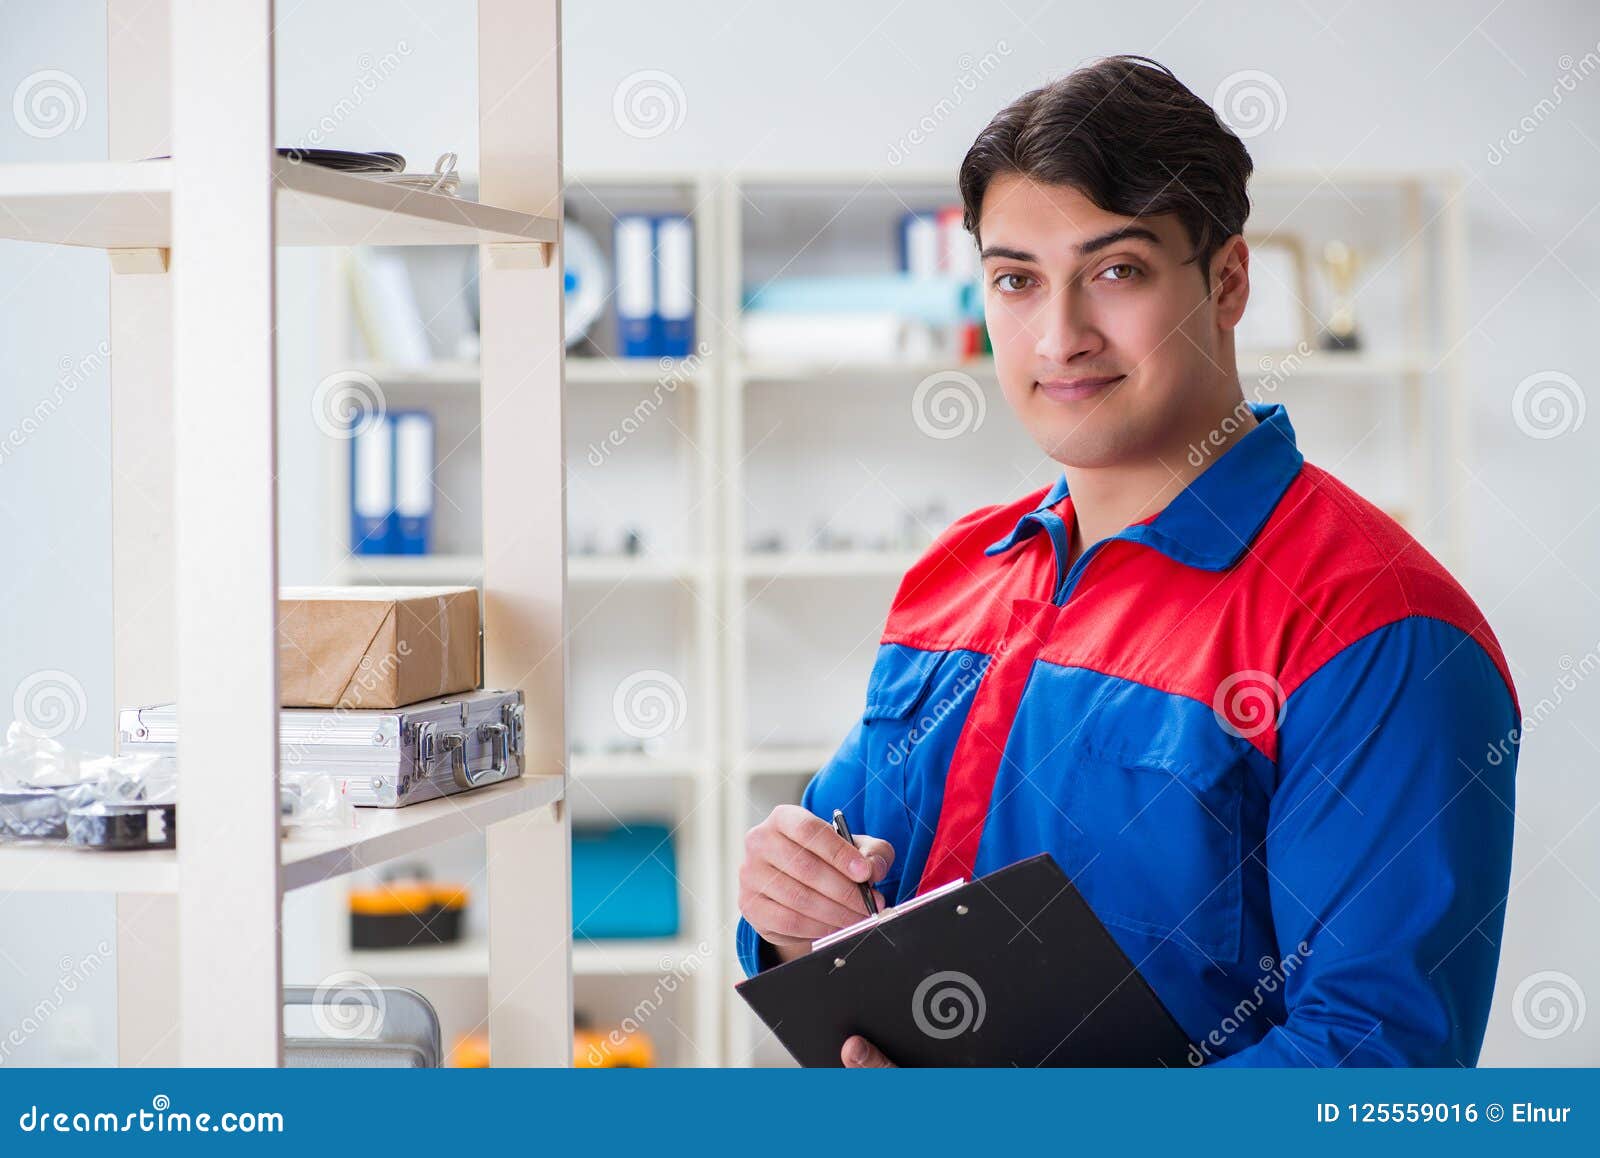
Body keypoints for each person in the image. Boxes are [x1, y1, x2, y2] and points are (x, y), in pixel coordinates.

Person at [733, 55, 1520, 1068]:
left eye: (1115, 272)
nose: (1058, 336)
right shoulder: (954, 577)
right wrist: (793, 913)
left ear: (1226, 281)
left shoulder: (1375, 629)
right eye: (1017, 280)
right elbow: (853, 920)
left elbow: (1376, 1072)